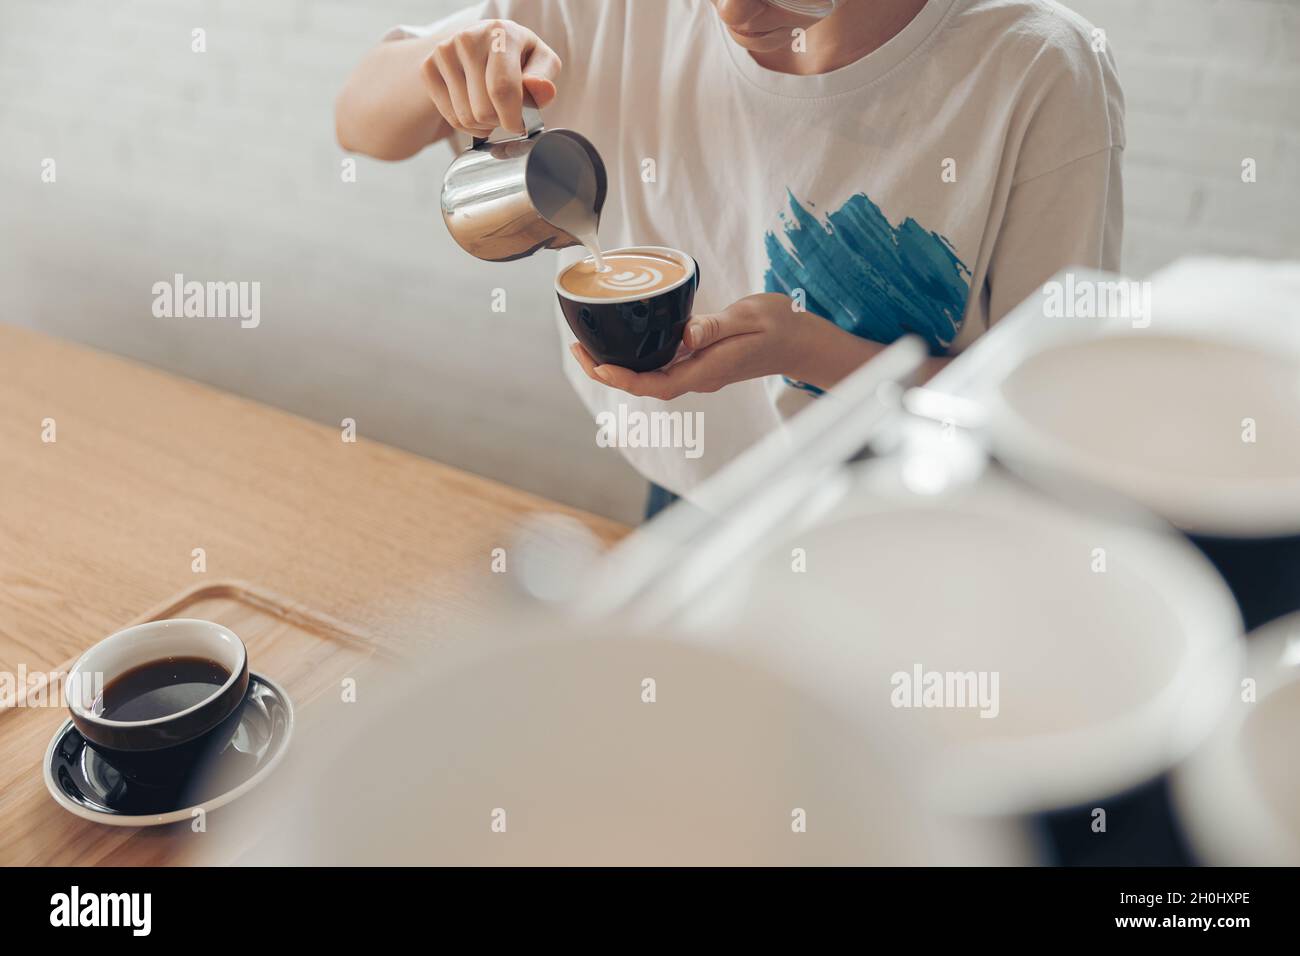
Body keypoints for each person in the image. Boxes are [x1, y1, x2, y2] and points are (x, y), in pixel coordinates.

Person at [336, 0, 1124, 517]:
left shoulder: (1034, 67)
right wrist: (450, 65)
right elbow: (357, 122)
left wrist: (811, 352)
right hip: (692, 497)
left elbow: (1048, 421)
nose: (737, 12)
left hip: (908, 527)